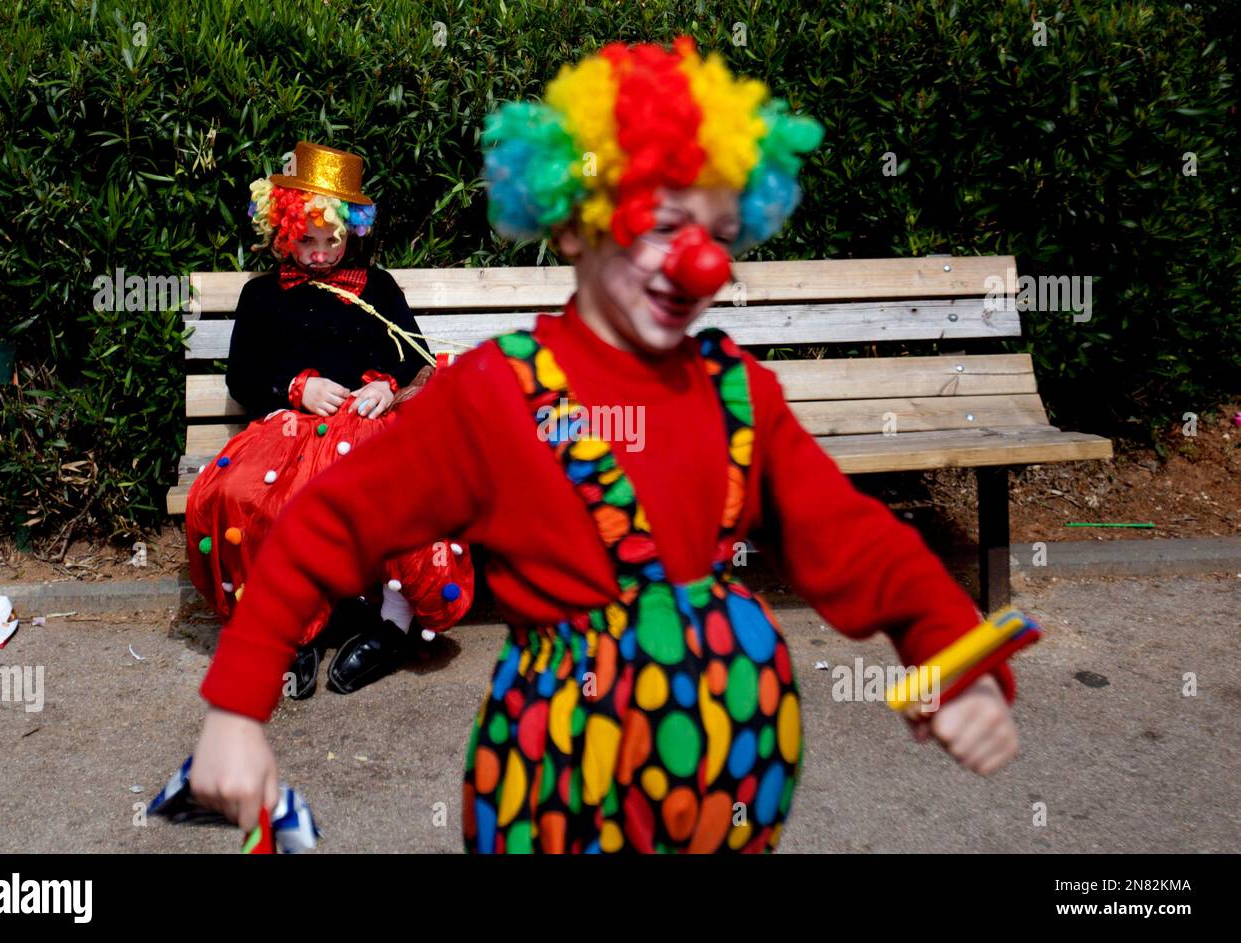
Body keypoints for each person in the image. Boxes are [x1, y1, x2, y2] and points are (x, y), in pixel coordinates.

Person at [188, 38, 1029, 853]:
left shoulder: (742, 396)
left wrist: (950, 648)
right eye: (659, 225)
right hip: (554, 778)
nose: (698, 263)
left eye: (714, 229)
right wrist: (236, 708)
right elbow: (328, 527)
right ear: (574, 229)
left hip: (723, 772)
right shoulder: (493, 394)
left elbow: (851, 537)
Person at [184, 140, 473, 701]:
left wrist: (388, 389)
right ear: (282, 232)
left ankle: (394, 625)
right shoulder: (263, 295)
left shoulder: (378, 287)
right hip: (290, 432)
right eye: (305, 241)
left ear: (353, 231)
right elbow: (241, 376)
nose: (319, 255)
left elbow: (416, 358)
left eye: (331, 240)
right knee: (248, 496)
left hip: (367, 427)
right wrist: (296, 386)